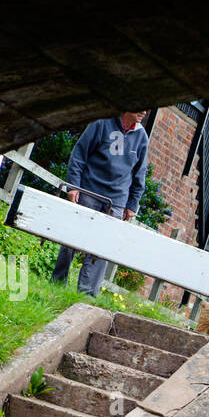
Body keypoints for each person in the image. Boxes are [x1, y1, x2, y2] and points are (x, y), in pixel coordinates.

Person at [51, 109, 151, 296]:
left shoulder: (141, 137)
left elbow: (140, 174)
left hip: (116, 202)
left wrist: (132, 205)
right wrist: (73, 186)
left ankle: (87, 296)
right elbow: (79, 155)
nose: (144, 112)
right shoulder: (101, 122)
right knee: (71, 240)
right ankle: (57, 283)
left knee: (101, 249)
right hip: (89, 192)